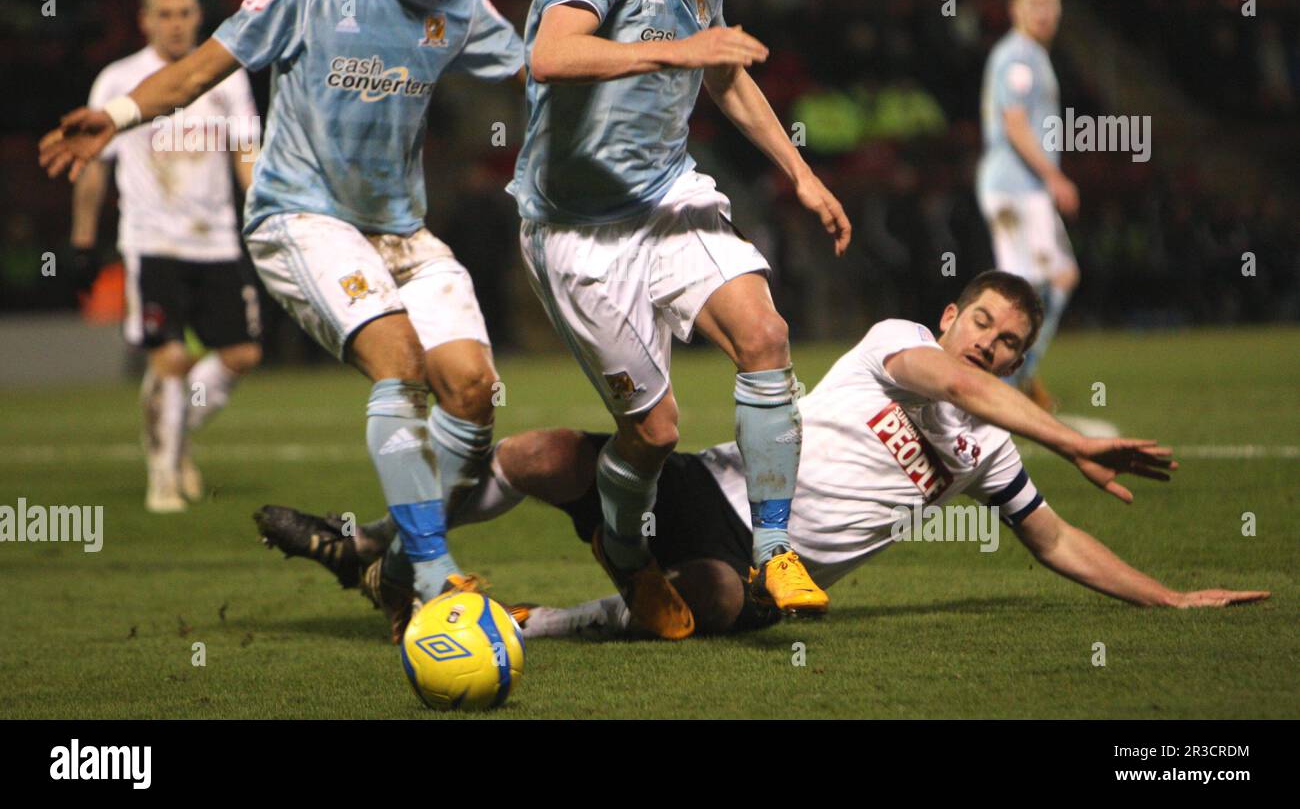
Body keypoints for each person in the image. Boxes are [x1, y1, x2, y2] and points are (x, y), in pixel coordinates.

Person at [256, 270, 1268, 641]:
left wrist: (1170, 600)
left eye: (1009, 344)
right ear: (954, 314)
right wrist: (1074, 434)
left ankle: (532, 622)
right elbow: (953, 386)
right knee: (542, 448)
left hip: (761, 569)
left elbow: (1054, 542)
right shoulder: (896, 346)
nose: (988, 348)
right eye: (985, 326)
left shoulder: (986, 451)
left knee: (722, 604)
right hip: (712, 489)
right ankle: (374, 541)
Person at [40, 0, 525, 603]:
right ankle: (433, 579)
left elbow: (538, 68)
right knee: (399, 363)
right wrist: (118, 115)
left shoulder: (455, 0)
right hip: (302, 216)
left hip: (402, 231)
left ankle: (381, 563)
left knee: (472, 391)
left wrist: (644, 59)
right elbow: (203, 67)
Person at [507, 0, 852, 638]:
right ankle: (624, 550)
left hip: (666, 199)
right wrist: (680, 52)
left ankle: (773, 548)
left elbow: (725, 75)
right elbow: (552, 56)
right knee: (654, 435)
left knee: (765, 333)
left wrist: (800, 174)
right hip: (577, 231)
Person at [69, 0, 262, 513]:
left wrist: (264, 213)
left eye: (184, 13)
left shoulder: (227, 77)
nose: (176, 24)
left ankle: (174, 434)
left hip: (217, 240)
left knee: (242, 354)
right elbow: (94, 166)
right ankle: (163, 476)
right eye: (164, 14)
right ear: (144, 20)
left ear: (200, 15)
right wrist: (83, 243)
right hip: (151, 242)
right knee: (171, 358)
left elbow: (246, 152)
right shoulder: (117, 80)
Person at [977, 0, 1079, 411]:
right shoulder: (1018, 56)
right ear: (1015, 9)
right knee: (1027, 288)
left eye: (1050, 5)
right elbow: (1014, 122)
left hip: (1025, 187)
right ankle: (994, 378)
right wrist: (1054, 176)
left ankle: (1018, 373)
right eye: (1034, 3)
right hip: (1016, 185)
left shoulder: (1031, 55)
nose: (1044, 12)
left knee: (1054, 278)